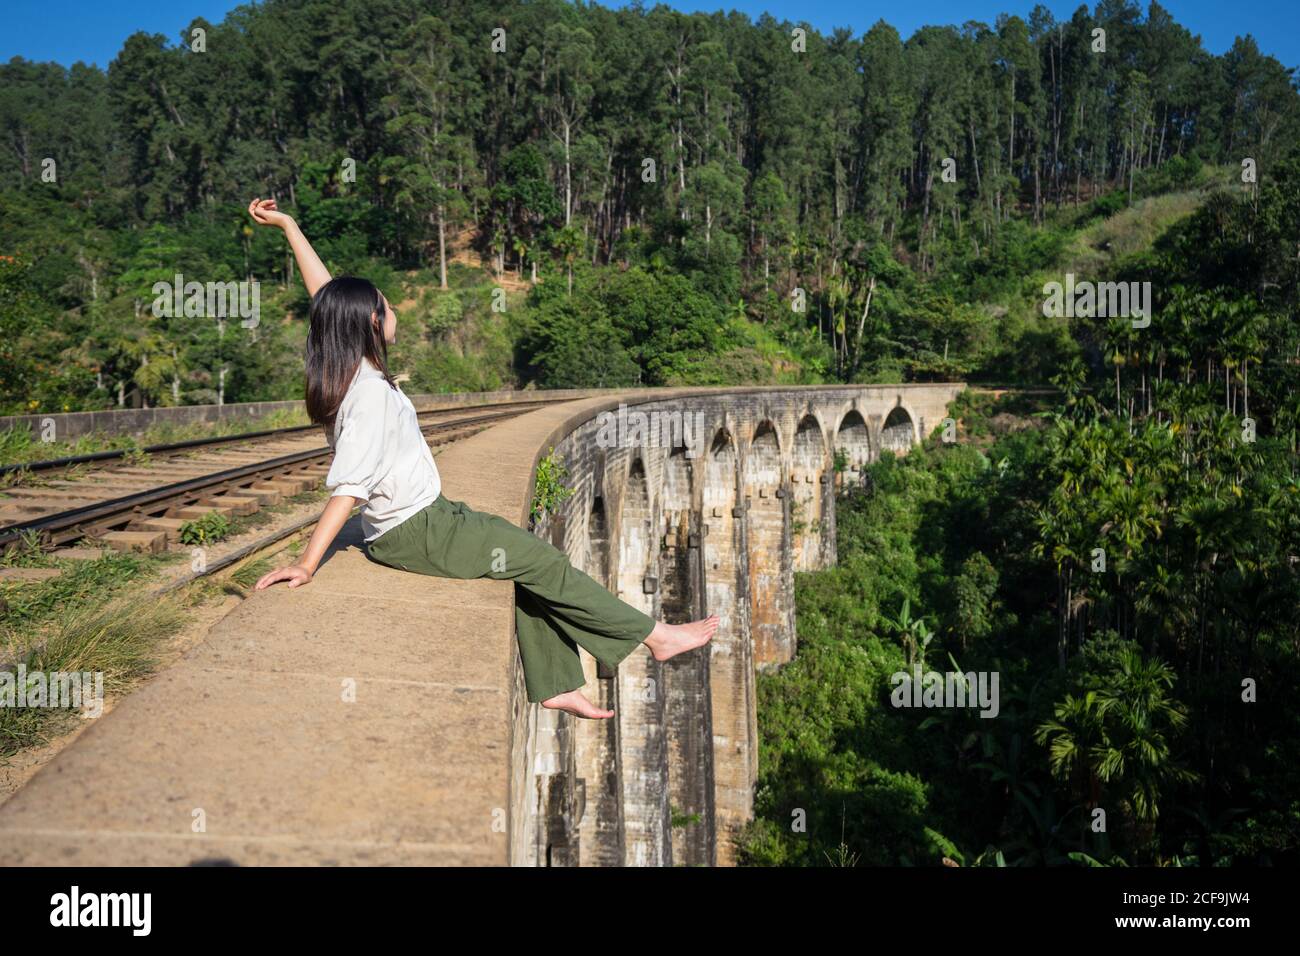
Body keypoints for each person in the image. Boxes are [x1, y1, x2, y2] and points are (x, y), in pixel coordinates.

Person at [246, 198, 718, 719]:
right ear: (373, 323)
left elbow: (328, 297)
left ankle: (557, 681)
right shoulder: (371, 393)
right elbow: (349, 489)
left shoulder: (350, 368)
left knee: (523, 560)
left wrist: (290, 227)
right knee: (542, 561)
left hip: (430, 514)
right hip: (414, 528)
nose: (396, 311)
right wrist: (308, 564)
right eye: (389, 306)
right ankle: (655, 637)